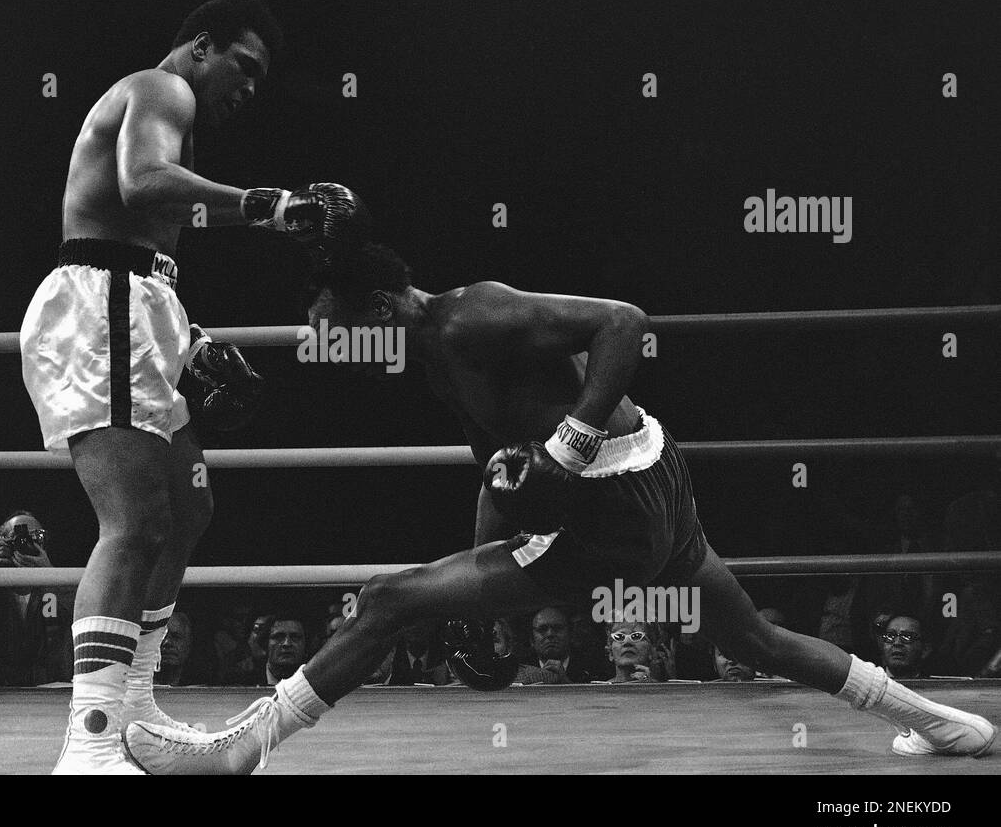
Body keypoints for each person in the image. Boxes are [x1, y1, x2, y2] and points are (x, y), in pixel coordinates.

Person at [124, 241, 995, 773]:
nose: (339, 352)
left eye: (341, 331)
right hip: (646, 483)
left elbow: (622, 321)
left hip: (610, 502)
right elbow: (502, 474)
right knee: (754, 639)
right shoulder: (435, 357)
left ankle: (241, 748)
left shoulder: (473, 317)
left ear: (383, 307)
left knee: (390, 598)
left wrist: (568, 449)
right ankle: (944, 726)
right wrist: (480, 597)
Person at [18, 0, 359, 773]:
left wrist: (184, 333)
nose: (248, 87)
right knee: (133, 522)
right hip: (101, 304)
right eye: (243, 66)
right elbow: (140, 184)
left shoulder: (174, 114)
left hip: (135, 303)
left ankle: (134, 707)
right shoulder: (160, 87)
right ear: (201, 47)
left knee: (188, 506)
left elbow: (137, 236)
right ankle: (91, 740)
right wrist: (262, 205)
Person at [0, 511, 74, 686]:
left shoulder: (57, 587)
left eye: (36, 537)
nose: (26, 543)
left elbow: (79, 621)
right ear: (1, 543)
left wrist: (51, 575)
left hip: (51, 687)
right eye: (18, 537)